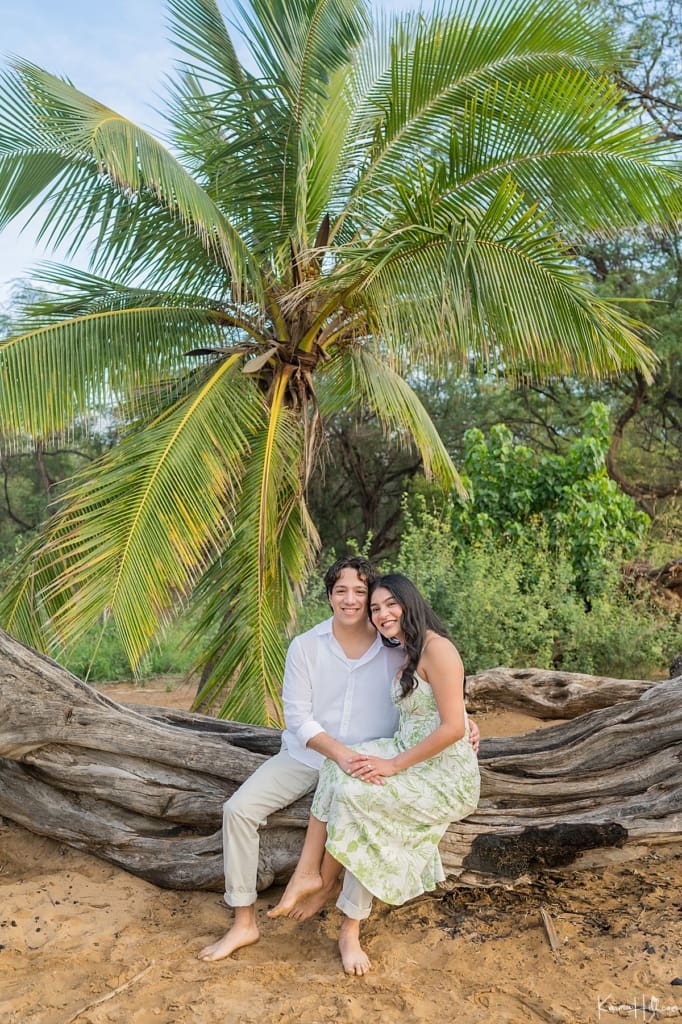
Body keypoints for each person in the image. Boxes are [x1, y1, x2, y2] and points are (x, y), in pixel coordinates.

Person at [198, 558, 480, 963]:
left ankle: (336, 903)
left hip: (371, 759)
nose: (353, 601)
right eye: (342, 591)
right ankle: (243, 921)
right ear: (329, 596)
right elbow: (297, 719)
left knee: (370, 810)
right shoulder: (306, 646)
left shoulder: (395, 646)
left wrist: (468, 725)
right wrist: (342, 755)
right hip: (308, 756)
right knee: (238, 810)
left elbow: (441, 697)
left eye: (362, 594)